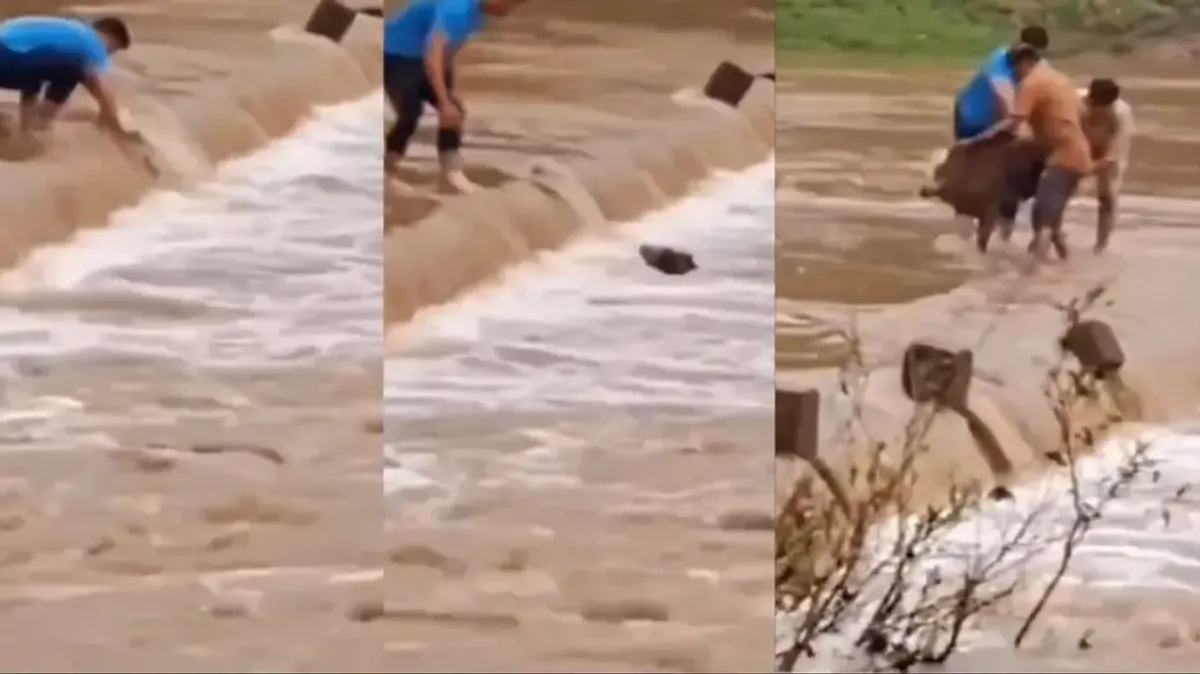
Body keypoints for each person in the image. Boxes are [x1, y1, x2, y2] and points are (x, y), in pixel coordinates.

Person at [959, 45, 1092, 261]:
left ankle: (1033, 279)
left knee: (1042, 220)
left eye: (1015, 71)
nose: (1016, 76)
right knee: (1052, 220)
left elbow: (1013, 122)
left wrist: (976, 141)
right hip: (1077, 154)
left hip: (1064, 158)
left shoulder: (1031, 84)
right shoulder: (1061, 79)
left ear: (1025, 63)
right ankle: (1067, 264)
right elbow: (1080, 115)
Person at [384, 0, 525, 192]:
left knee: (455, 110)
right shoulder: (456, 9)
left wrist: (450, 95)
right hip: (394, 54)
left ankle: (453, 173)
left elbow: (448, 53)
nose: (509, 11)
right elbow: (433, 55)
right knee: (410, 112)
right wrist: (443, 101)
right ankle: (387, 172)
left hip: (421, 55)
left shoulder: (477, 14)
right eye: (510, 4)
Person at [951, 25, 1050, 240]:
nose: (1032, 63)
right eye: (1028, 57)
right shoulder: (997, 66)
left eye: (1036, 57)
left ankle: (1003, 234)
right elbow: (1010, 111)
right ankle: (963, 228)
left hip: (1002, 122)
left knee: (1010, 176)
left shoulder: (1038, 65)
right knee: (969, 172)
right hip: (972, 118)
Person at [0, 15, 135, 139]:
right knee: (73, 67)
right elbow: (95, 80)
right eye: (112, 50)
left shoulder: (72, 31)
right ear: (109, 37)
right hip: (8, 55)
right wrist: (113, 113)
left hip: (11, 54)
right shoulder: (92, 40)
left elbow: (89, 81)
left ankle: (28, 125)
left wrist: (104, 106)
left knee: (56, 66)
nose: (108, 54)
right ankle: (41, 120)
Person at [1078, 78, 1134, 253]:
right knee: (1060, 188)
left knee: (1107, 196)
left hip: (1107, 146)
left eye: (1104, 108)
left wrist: (1090, 167)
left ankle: (1101, 246)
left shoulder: (1122, 115)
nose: (1098, 110)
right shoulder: (1075, 101)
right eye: (1094, 105)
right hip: (1079, 141)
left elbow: (1111, 156)